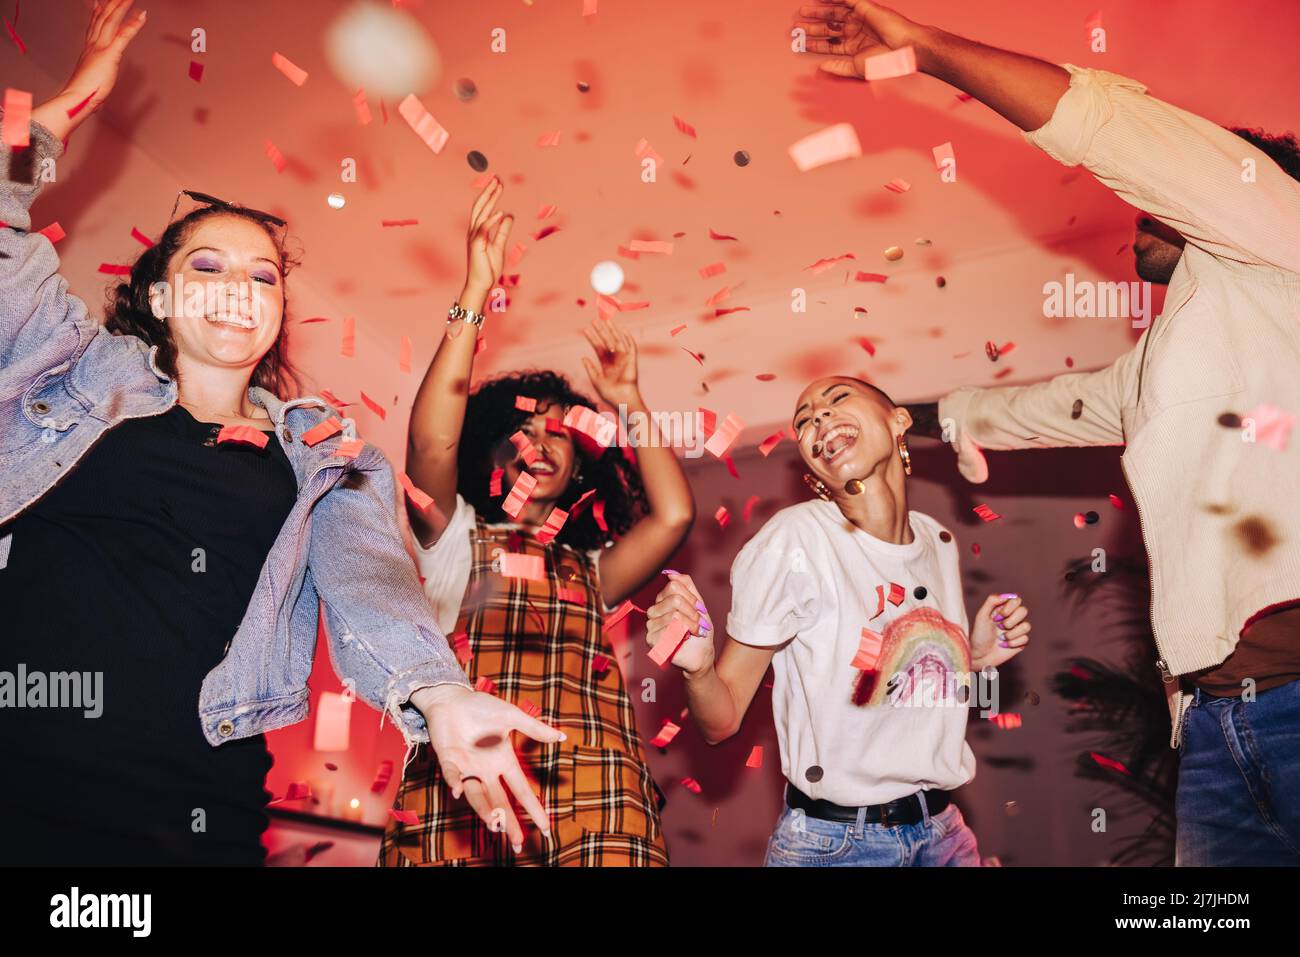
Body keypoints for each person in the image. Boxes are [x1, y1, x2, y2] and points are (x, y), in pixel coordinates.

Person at [0, 0, 558, 866]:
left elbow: (371, 579)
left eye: (263, 275)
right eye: (207, 265)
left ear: (279, 312)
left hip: (189, 809)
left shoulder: (326, 456)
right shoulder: (75, 369)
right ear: (156, 296)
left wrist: (438, 692)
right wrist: (65, 104)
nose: (238, 287)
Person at [799, 0, 1300, 865]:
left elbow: (1117, 129)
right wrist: (883, 413)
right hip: (1217, 723)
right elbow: (1053, 408)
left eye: (1161, 200)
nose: (1135, 216)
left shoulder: (1274, 225)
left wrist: (927, 48)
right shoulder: (1184, 347)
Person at [378, 179, 695, 866]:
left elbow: (674, 515)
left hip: (598, 791)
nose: (541, 442)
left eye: (559, 432)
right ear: (487, 450)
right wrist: (475, 291)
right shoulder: (451, 536)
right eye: (520, 429)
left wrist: (629, 396)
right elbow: (431, 444)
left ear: (581, 467)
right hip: (463, 786)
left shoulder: (594, 567)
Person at [646, 376, 1031, 866]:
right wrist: (698, 669)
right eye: (804, 420)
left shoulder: (938, 541)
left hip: (944, 834)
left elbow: (906, 697)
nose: (818, 419)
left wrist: (971, 657)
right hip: (838, 846)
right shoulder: (795, 540)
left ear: (899, 420)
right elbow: (720, 724)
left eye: (836, 399)